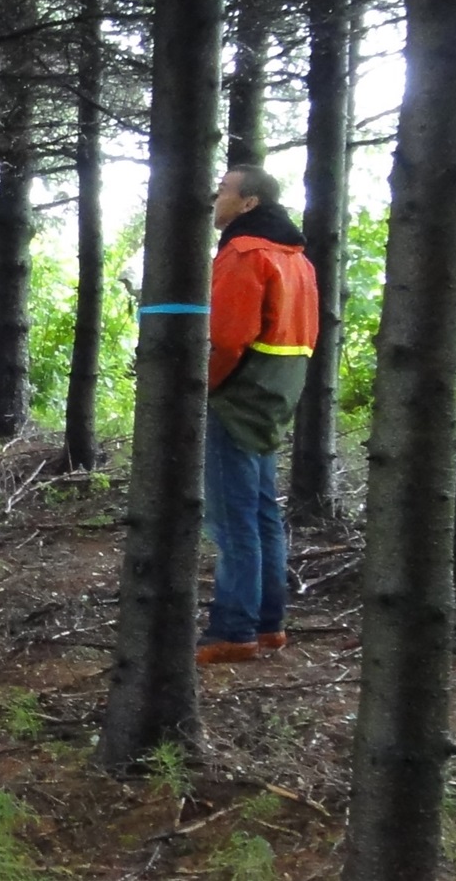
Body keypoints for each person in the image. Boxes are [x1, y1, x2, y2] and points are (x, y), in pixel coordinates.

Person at [196, 164, 318, 666]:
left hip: (238, 398)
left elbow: (227, 338)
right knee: (263, 513)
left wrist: (201, 385)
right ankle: (269, 625)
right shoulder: (298, 261)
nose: (214, 197)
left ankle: (234, 630)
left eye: (222, 190)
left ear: (248, 204)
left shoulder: (244, 254)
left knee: (233, 521)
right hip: (276, 396)